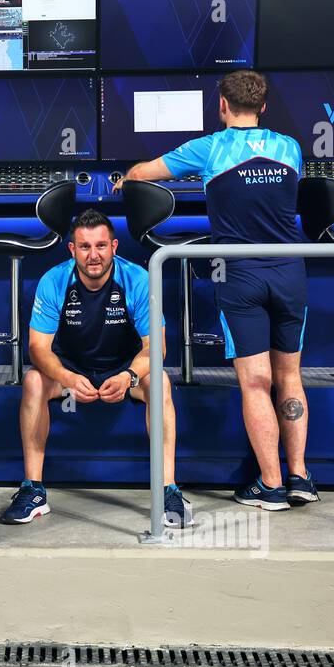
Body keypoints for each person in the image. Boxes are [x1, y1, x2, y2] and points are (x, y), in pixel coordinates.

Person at [116, 69, 315, 511]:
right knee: (289, 377)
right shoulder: (291, 148)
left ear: (221, 105)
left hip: (241, 274)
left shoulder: (209, 148)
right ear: (263, 108)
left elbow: (142, 173)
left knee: (255, 382)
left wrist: (124, 180)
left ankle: (271, 485)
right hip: (290, 271)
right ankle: (300, 476)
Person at [3, 209, 186, 528]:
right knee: (33, 381)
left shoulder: (138, 279)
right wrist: (67, 377)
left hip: (123, 372)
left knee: (159, 381)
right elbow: (38, 349)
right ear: (72, 249)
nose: (93, 255)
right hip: (71, 371)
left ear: (114, 246)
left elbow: (155, 347)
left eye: (101, 246)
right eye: (85, 247)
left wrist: (129, 376)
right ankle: (33, 490)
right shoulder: (54, 280)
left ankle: (167, 489)